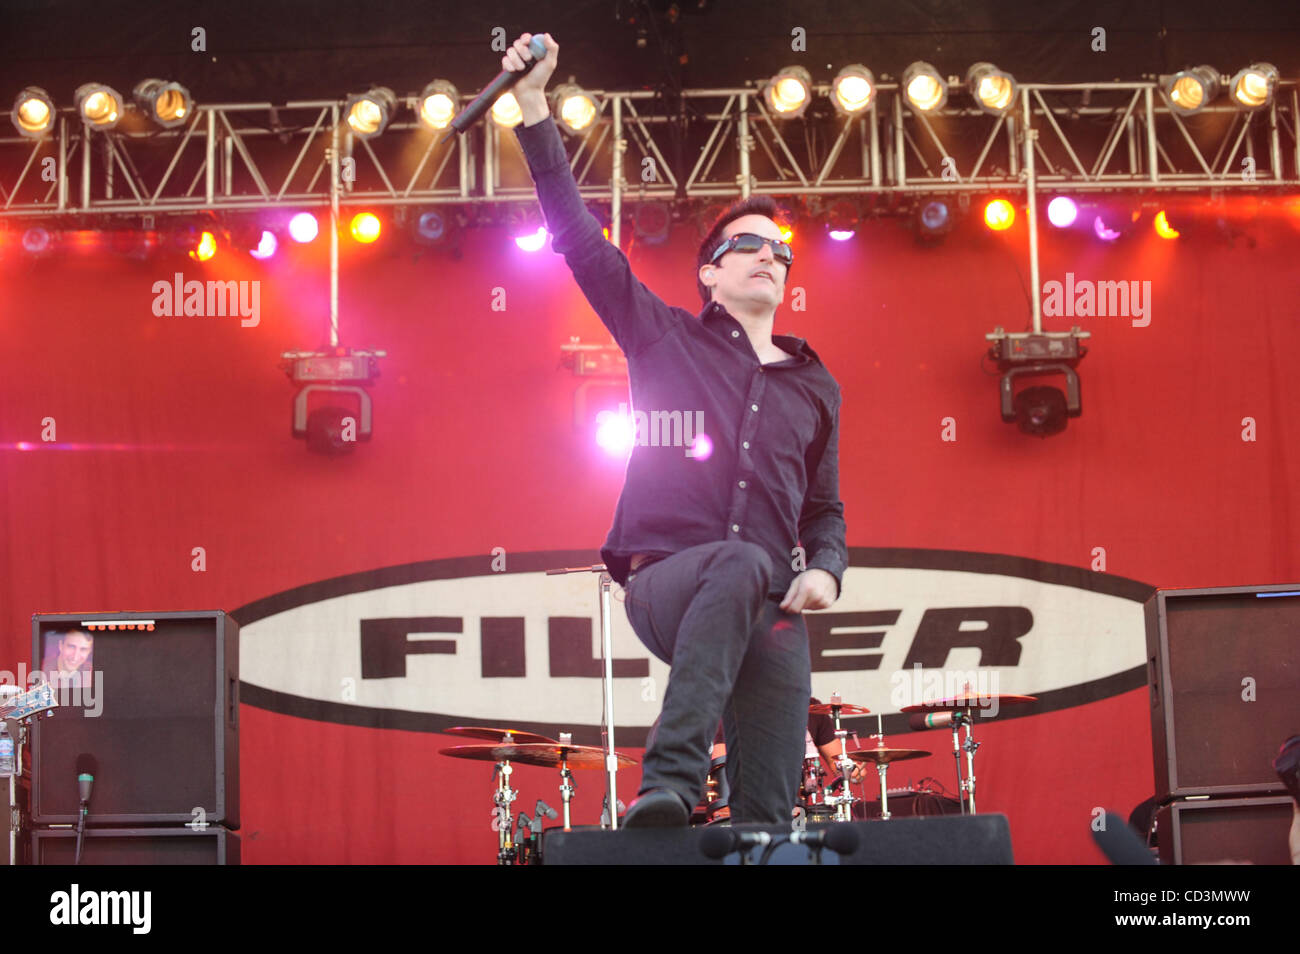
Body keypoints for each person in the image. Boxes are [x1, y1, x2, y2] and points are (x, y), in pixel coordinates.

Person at [506, 33, 848, 826]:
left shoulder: (816, 385)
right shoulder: (666, 338)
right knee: (735, 560)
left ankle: (756, 829)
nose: (770, 255)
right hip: (668, 585)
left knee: (768, 816)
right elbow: (582, 246)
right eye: (748, 245)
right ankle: (668, 783)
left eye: (781, 250)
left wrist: (827, 568)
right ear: (710, 273)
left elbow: (823, 510)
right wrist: (533, 111)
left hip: (769, 607)